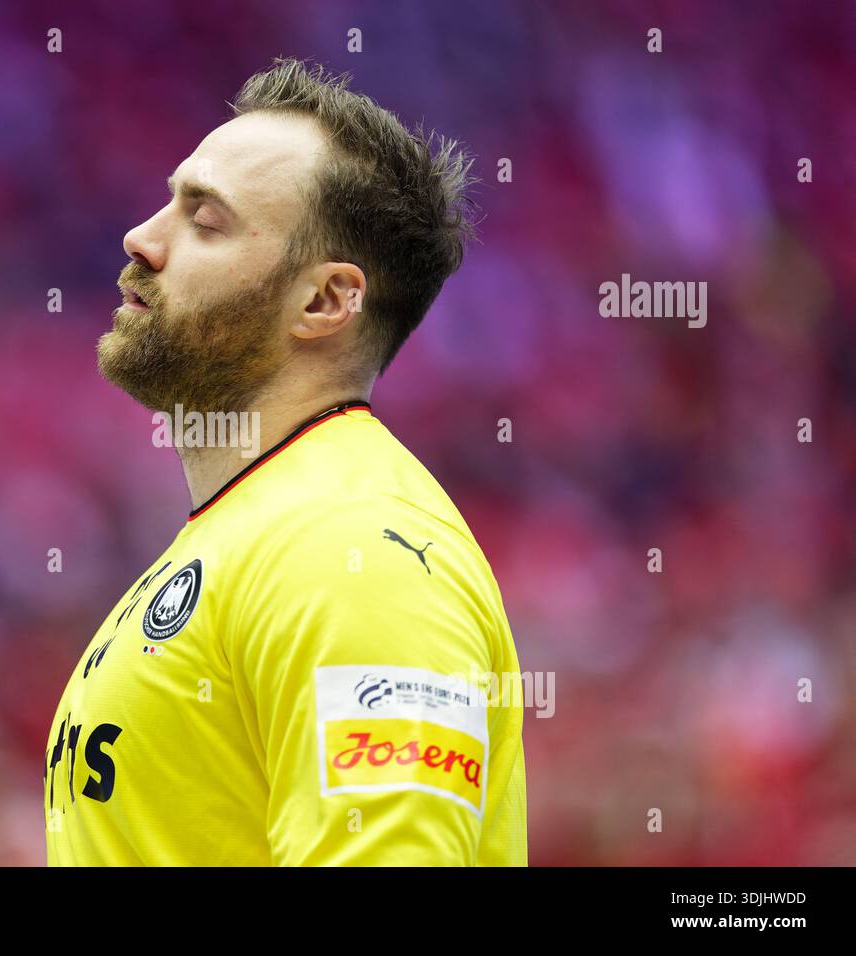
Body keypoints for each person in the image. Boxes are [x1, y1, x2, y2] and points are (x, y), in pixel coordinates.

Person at [44, 57, 526, 866]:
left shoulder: (356, 548)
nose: (142, 238)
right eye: (171, 200)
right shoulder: (256, 528)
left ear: (325, 300)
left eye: (206, 220)